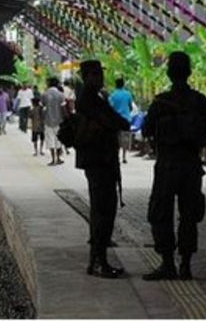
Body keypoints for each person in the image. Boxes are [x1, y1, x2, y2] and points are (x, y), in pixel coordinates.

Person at [141, 52, 206, 281]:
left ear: (169, 73)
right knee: (189, 215)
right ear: (189, 72)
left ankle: (167, 263)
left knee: (161, 213)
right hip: (192, 165)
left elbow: (146, 130)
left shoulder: (161, 102)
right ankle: (186, 265)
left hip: (167, 166)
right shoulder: (200, 101)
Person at [75, 60, 131, 279]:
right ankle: (99, 262)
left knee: (102, 209)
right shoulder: (90, 100)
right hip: (99, 161)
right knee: (103, 211)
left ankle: (97, 261)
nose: (101, 78)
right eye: (97, 74)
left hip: (100, 160)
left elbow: (114, 119)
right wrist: (118, 121)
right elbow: (113, 120)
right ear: (88, 76)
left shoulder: (94, 98)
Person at [108, 78, 136, 164]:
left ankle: (117, 156)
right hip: (126, 119)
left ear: (115, 85)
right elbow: (131, 107)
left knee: (116, 138)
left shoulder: (112, 95)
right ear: (123, 84)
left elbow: (110, 108)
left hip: (115, 119)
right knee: (125, 139)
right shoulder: (128, 94)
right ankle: (124, 157)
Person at [42, 77, 66, 166]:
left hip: (48, 120)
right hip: (59, 120)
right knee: (58, 140)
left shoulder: (44, 94)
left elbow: (42, 107)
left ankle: (53, 159)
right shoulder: (61, 95)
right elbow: (63, 109)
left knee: (50, 140)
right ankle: (59, 158)